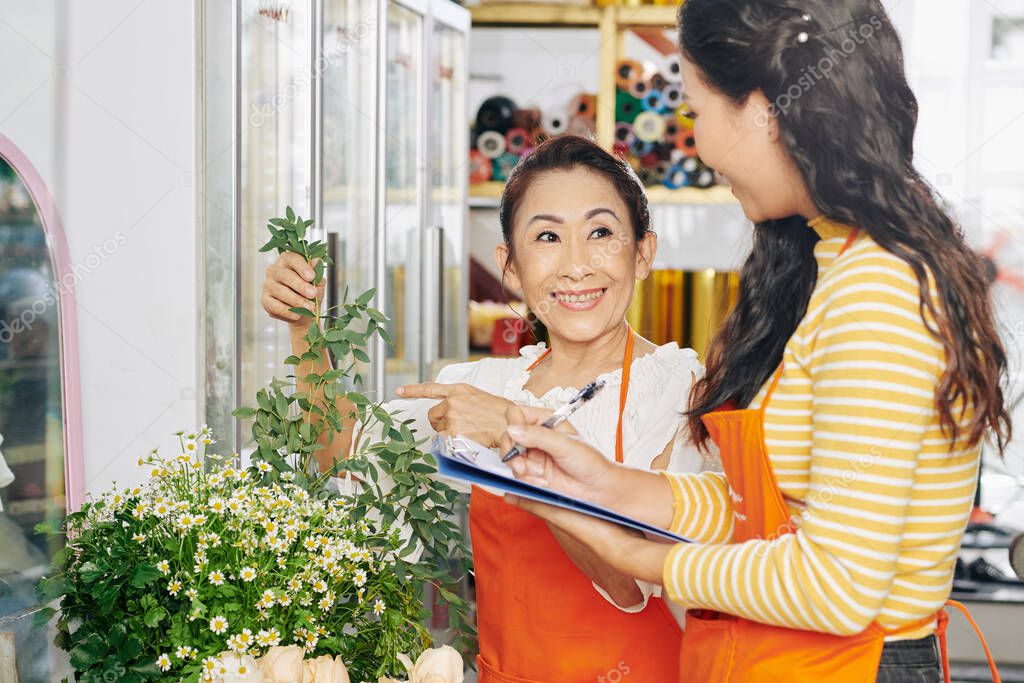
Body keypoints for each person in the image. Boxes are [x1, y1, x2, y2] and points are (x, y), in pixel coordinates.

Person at [498, 1, 1010, 681]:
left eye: (697, 111)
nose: (702, 148)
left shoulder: (880, 290)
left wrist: (638, 557)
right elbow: (764, 514)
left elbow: (835, 585)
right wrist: (609, 485)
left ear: (766, 108)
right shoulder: (835, 265)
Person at [261, 136, 714, 682]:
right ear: (512, 267)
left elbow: (631, 580)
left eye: (600, 233)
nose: (575, 265)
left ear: (642, 254)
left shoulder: (680, 392)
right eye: (547, 236)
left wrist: (513, 434)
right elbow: (342, 453)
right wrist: (305, 327)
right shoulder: (484, 384)